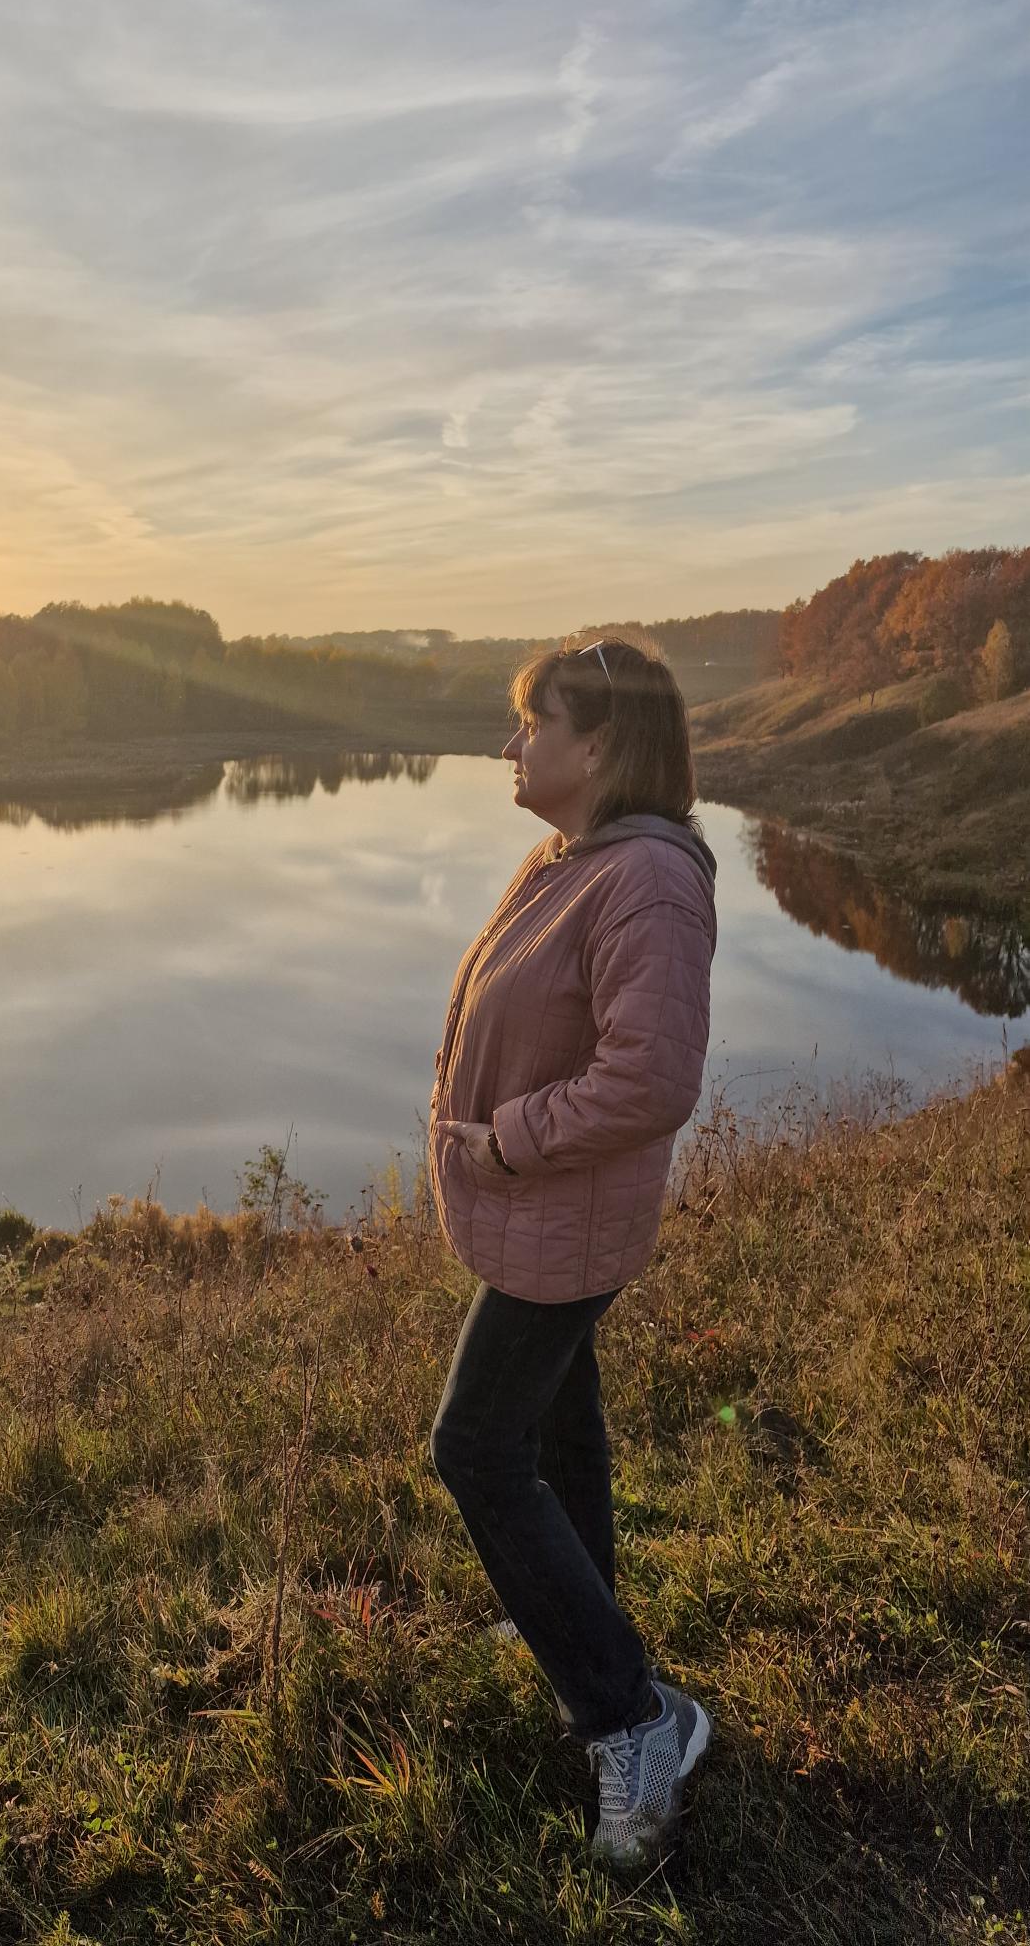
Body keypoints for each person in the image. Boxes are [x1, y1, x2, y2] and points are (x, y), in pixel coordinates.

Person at [428, 634, 718, 1870]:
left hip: (562, 1211)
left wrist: (502, 1140)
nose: (513, 743)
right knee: (559, 1431)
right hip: (547, 1214)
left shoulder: (645, 880)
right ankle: (576, 1619)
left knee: (476, 1447)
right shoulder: (572, 855)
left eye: (530, 721)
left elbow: (650, 1077)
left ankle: (634, 1715)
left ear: (597, 743)